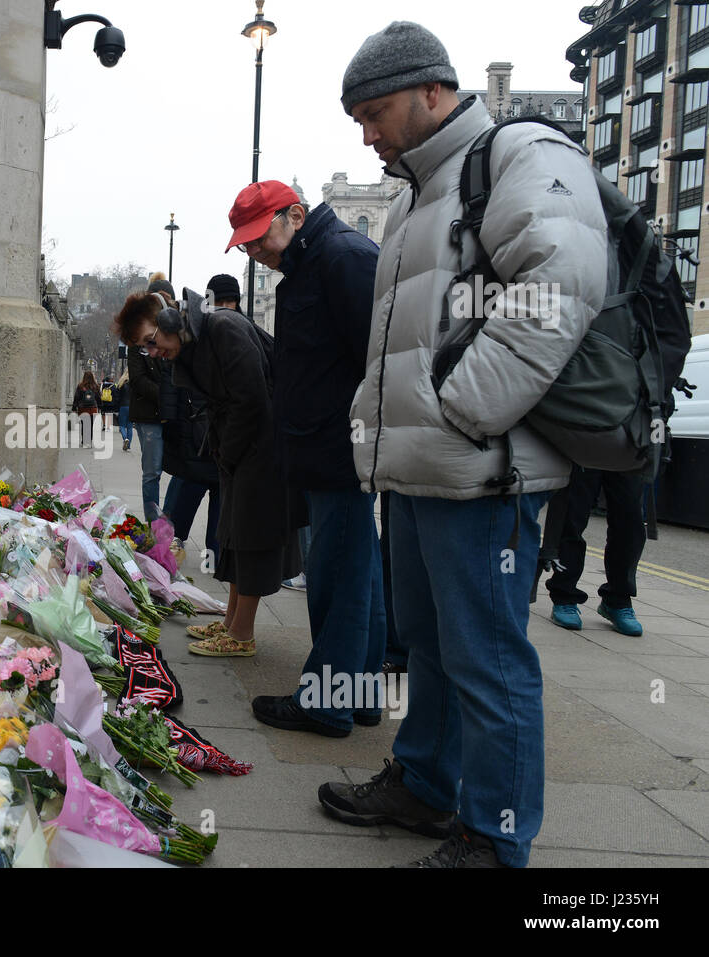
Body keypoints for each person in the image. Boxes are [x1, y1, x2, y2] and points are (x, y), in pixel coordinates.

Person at [316, 21, 607, 868]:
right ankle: (424, 783)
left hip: (482, 469)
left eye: (375, 113)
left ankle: (496, 835)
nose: (367, 135)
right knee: (430, 645)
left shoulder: (520, 154)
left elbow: (562, 281)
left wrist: (466, 408)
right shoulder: (412, 194)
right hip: (416, 467)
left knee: (488, 659)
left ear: (432, 92)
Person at [228, 179, 385, 738]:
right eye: (244, 245)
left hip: (339, 445)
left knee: (337, 575)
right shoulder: (315, 259)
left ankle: (327, 701)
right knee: (356, 574)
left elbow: (376, 358)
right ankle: (360, 694)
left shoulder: (342, 257)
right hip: (325, 442)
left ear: (293, 215)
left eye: (257, 238)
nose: (254, 252)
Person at [113, 288, 305, 657]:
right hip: (241, 450)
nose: (153, 353)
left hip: (264, 449)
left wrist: (228, 450)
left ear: (171, 320)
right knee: (232, 535)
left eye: (152, 342)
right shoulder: (196, 342)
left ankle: (242, 635)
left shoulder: (224, 330)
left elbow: (252, 403)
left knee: (251, 538)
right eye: (144, 348)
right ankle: (232, 622)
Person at [162, 274, 239, 565]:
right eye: (219, 301)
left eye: (230, 301)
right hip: (197, 441)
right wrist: (173, 427)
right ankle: (168, 553)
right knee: (181, 509)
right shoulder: (196, 338)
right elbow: (177, 388)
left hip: (225, 444)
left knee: (220, 515)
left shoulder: (240, 335)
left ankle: (216, 559)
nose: (224, 307)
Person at [541, 466, 648, 636]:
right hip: (582, 445)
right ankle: (564, 595)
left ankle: (617, 599)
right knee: (571, 516)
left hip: (625, 448)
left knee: (630, 523)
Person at [127, 274, 173, 520]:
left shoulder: (175, 333)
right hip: (149, 415)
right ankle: (154, 525)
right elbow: (138, 379)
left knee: (184, 470)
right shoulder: (138, 338)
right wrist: (167, 397)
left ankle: (172, 524)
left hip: (173, 413)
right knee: (152, 472)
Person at [70, 371, 99, 449]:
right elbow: (98, 398)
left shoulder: (80, 386)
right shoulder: (95, 386)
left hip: (83, 408)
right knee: (91, 425)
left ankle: (84, 441)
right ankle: (89, 441)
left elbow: (77, 397)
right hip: (93, 408)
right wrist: (100, 406)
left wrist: (74, 407)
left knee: (84, 425)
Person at [115, 369, 133, 451]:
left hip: (122, 406)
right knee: (129, 427)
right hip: (131, 407)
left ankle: (125, 438)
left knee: (122, 425)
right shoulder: (134, 383)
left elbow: (117, 397)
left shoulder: (121, 384)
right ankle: (128, 445)